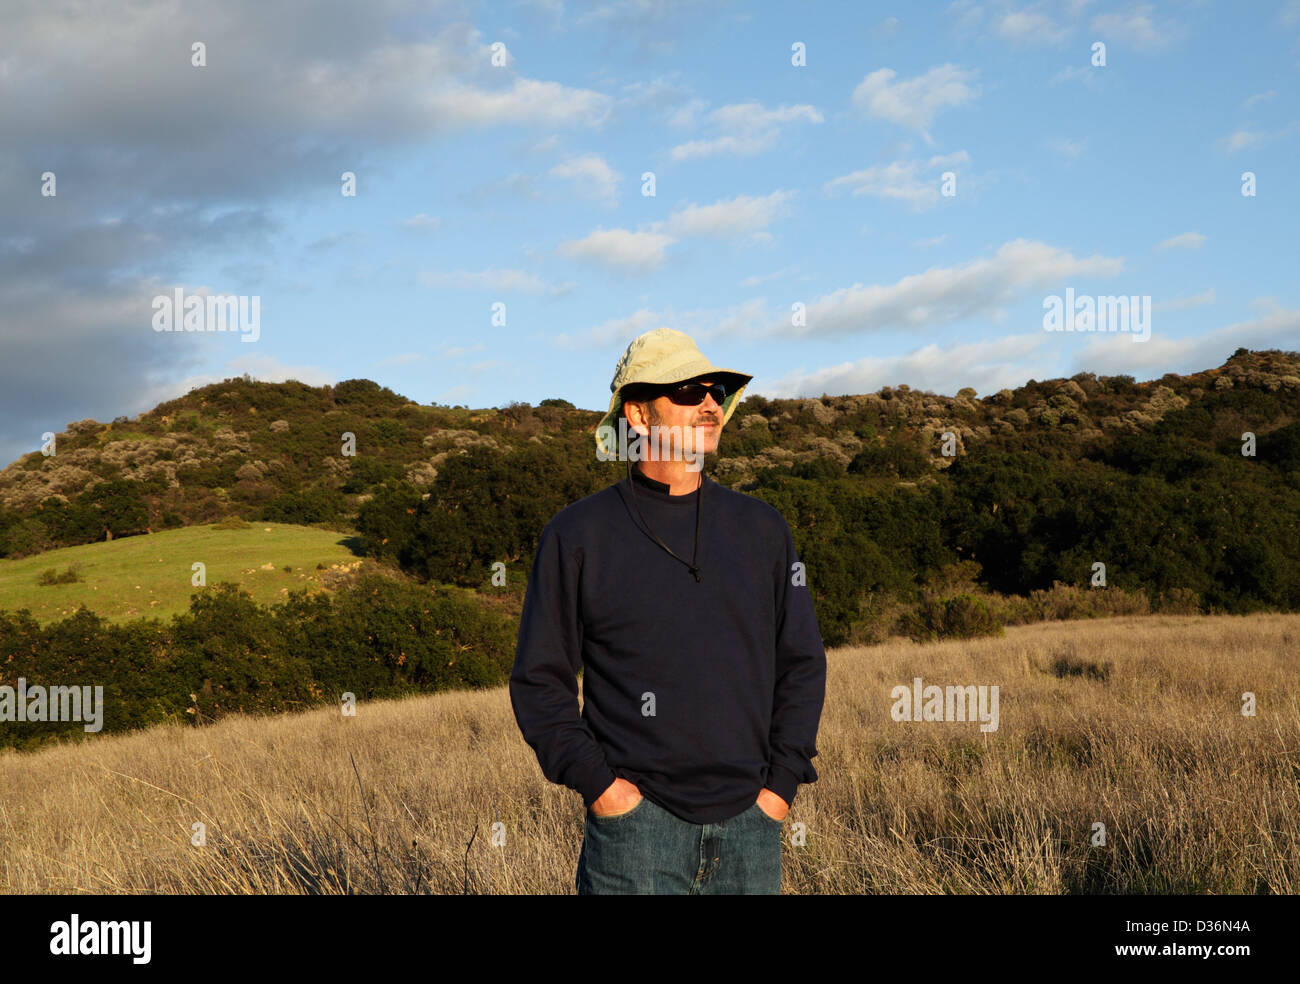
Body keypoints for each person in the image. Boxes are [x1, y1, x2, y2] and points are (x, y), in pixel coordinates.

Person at [509, 327, 827, 894]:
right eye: (687, 391)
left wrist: (778, 791)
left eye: (717, 390)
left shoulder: (762, 529)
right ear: (637, 415)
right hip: (636, 836)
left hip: (752, 829)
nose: (710, 404)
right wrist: (604, 790)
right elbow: (539, 680)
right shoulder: (578, 535)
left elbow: (801, 662)